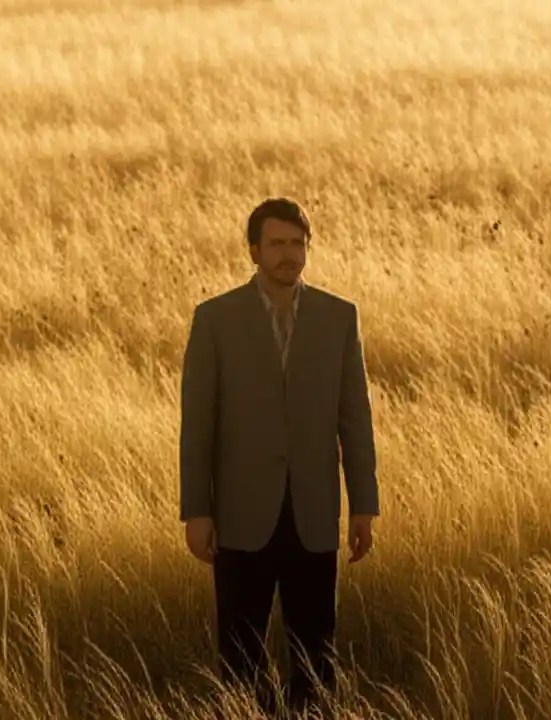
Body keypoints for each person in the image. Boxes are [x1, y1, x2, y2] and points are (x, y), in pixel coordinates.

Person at [178, 197, 381, 717]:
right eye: (277, 244)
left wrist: (364, 506)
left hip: (313, 513)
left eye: (297, 244)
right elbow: (198, 425)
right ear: (254, 250)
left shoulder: (340, 318)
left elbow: (354, 419)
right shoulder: (215, 319)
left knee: (317, 654)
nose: (289, 255)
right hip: (240, 514)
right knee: (240, 653)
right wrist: (196, 510)